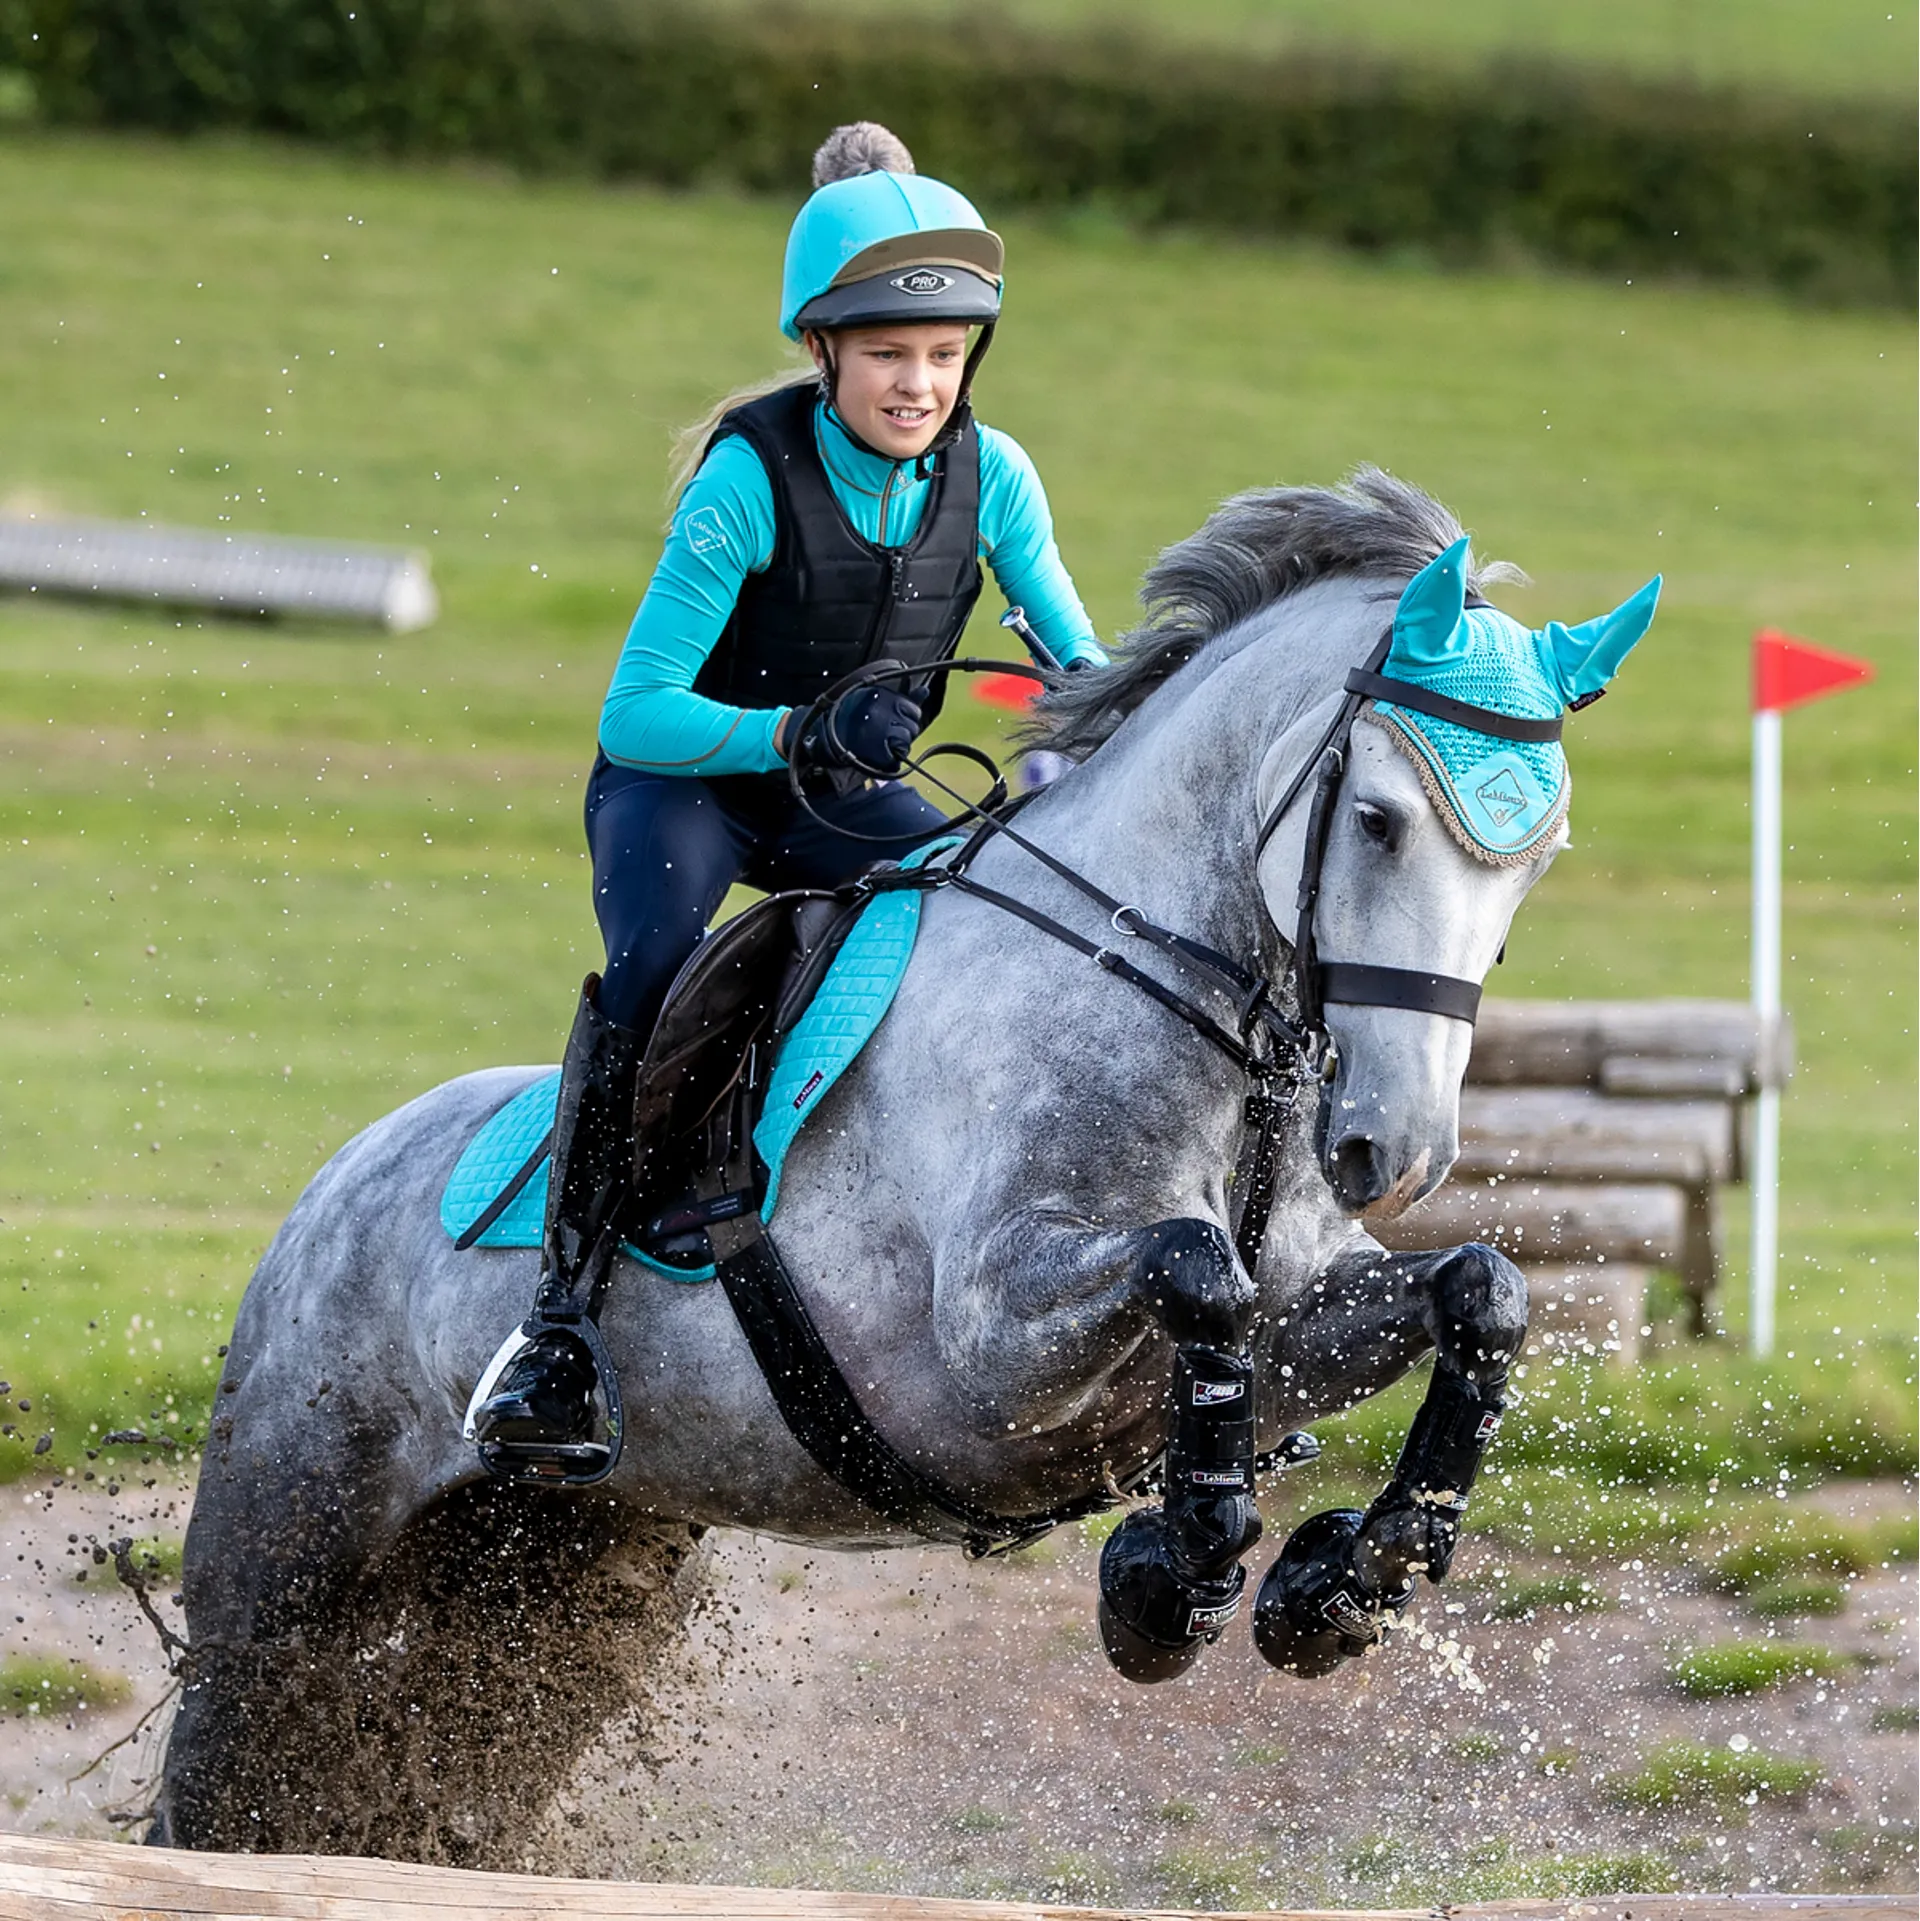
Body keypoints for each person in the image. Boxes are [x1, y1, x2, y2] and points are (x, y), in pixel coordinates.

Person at [468, 122, 1107, 1468]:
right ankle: (560, 1335)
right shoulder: (748, 479)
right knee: (651, 975)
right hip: (687, 788)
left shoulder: (995, 478)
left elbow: (1077, 659)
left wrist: (1108, 729)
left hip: (841, 795)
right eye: (888, 356)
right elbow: (633, 710)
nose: (918, 384)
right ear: (824, 351)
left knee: (987, 913)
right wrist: (798, 724)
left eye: (943, 357)